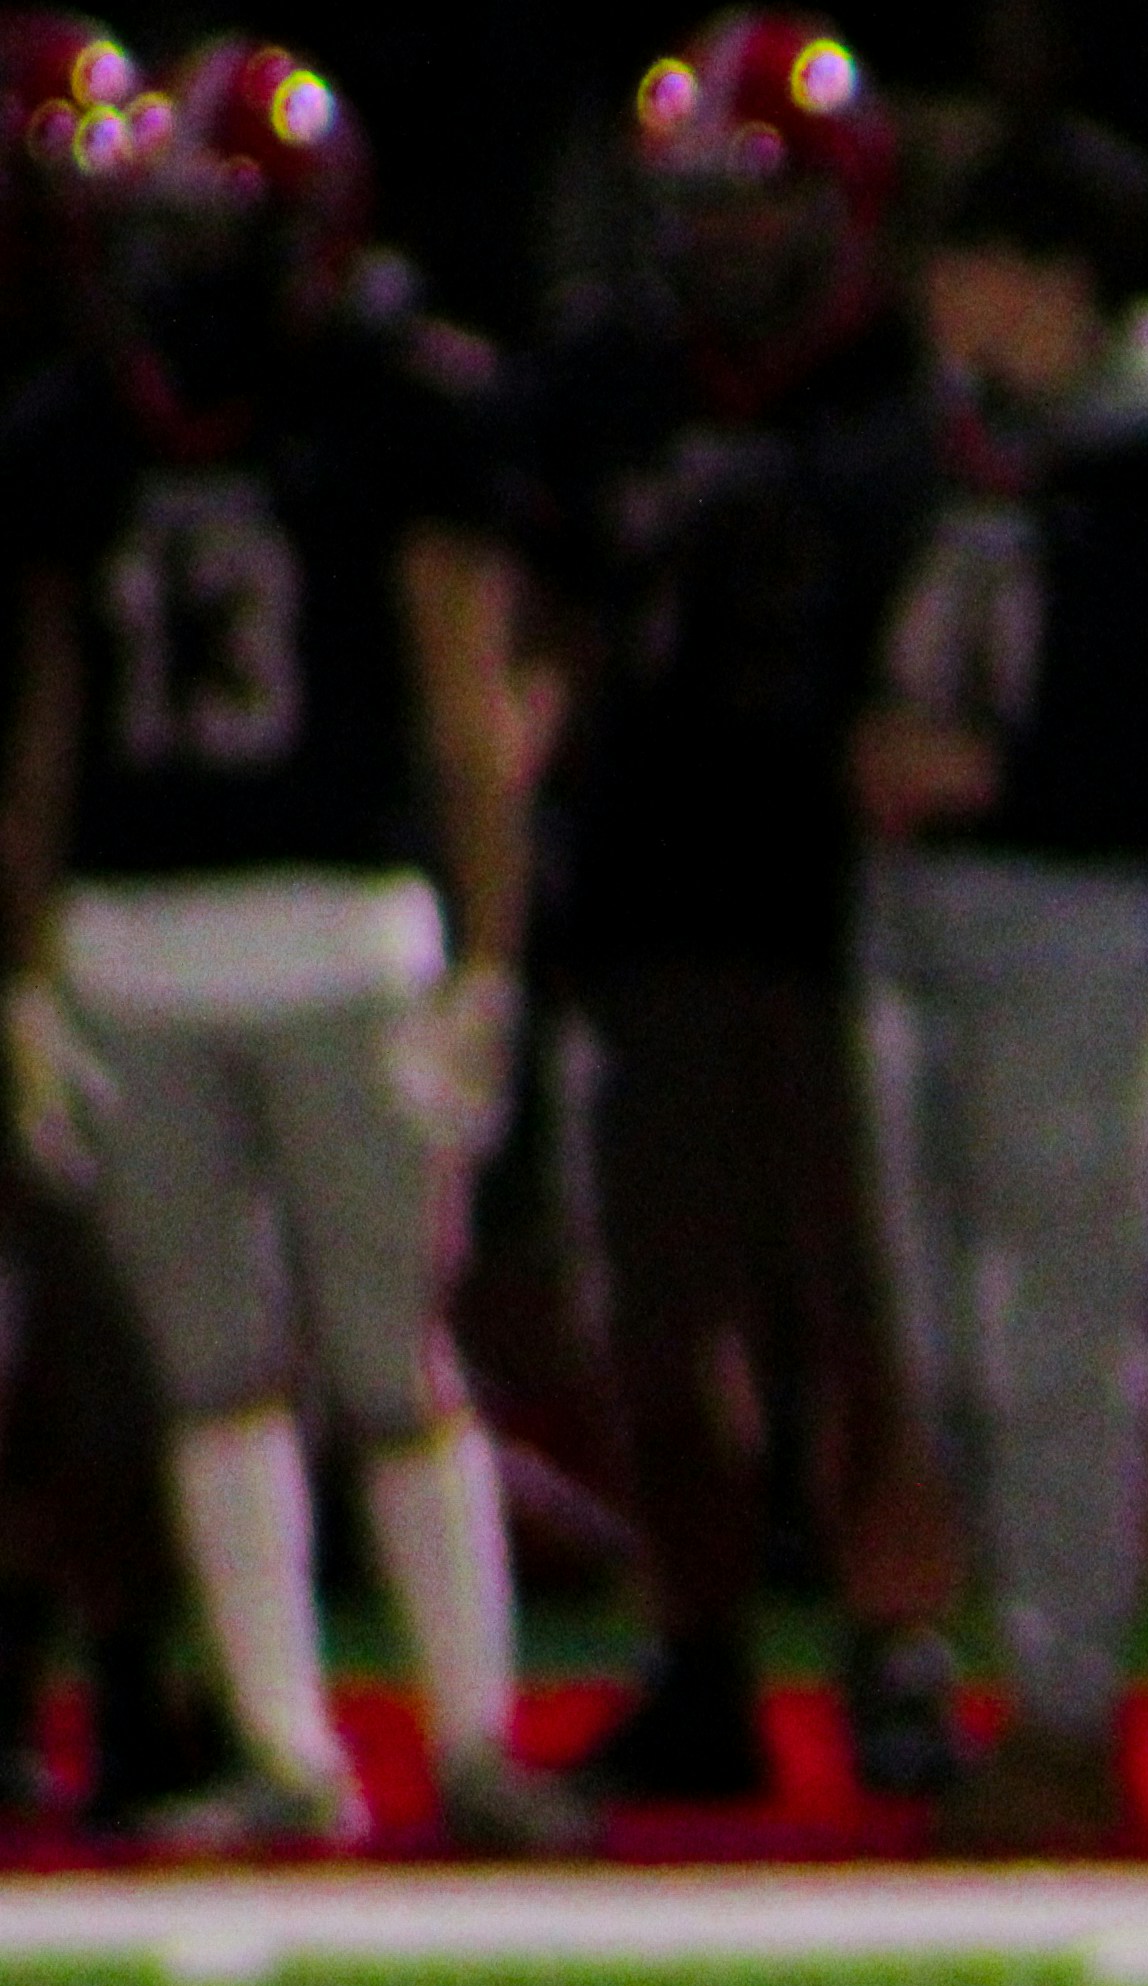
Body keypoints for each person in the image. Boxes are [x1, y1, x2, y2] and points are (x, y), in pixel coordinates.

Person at [0, 34, 577, 1855]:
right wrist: (25, 966)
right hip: (137, 948)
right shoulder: (73, 429)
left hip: (336, 932)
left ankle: (471, 1743)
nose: (178, 263)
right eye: (163, 225)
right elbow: (44, 729)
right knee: (211, 1373)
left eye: (214, 225)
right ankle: (289, 1751)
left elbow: (467, 711)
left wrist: (489, 957)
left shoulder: (399, 405)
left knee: (391, 1359)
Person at [529, 10, 963, 1810]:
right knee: (657, 1318)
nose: (718, 234)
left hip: (854, 907)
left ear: (841, 204)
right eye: (696, 198)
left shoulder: (914, 392)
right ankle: (701, 1657)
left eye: (755, 195)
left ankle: (894, 1647)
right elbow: (541, 636)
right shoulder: (605, 384)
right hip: (651, 898)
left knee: (873, 1309)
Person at [851, 107, 1148, 1853]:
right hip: (912, 921)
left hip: (1081, 933)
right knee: (937, 1348)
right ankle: (950, 1673)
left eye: (973, 259)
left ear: (1057, 282)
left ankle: (1063, 1710)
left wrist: (1012, 777)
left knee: (1060, 1347)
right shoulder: (929, 453)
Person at [0, 2, 218, 1828]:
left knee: (116, 1323)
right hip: (75, 893)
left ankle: (127, 1664)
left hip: (101, 899)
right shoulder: (81, 413)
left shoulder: (120, 406)